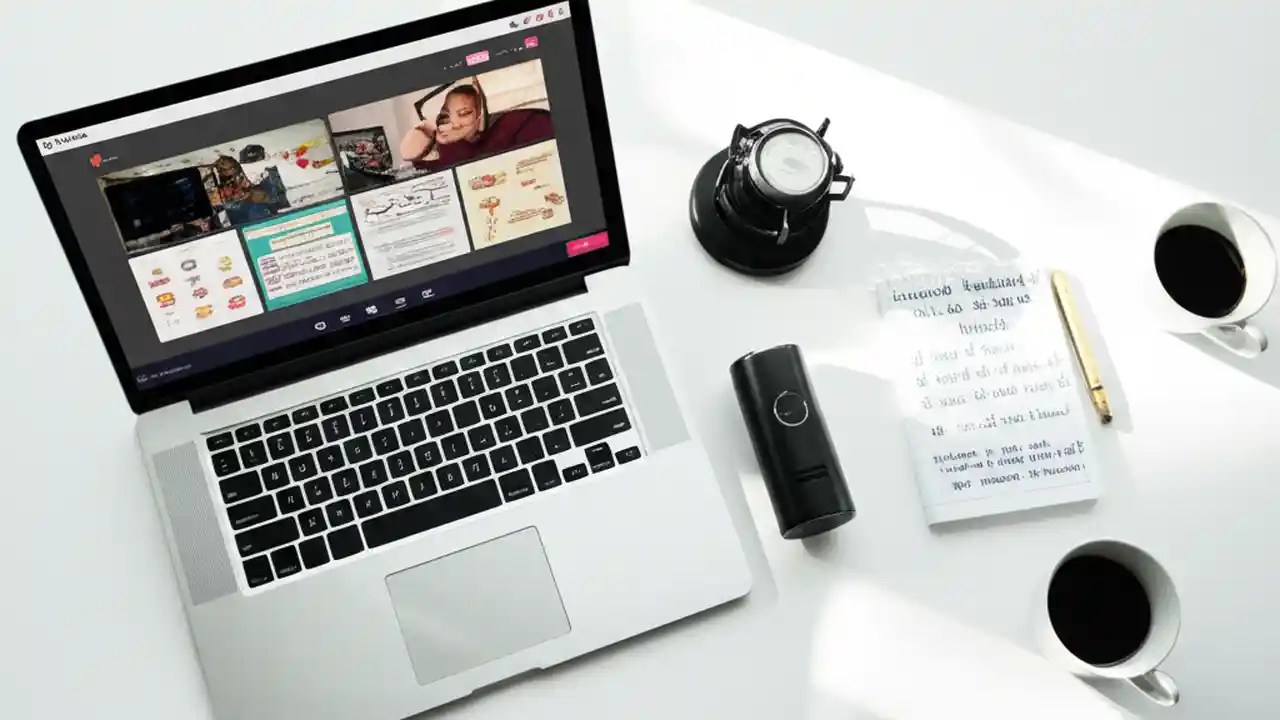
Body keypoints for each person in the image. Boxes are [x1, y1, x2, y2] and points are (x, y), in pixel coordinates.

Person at [399, 84, 554, 172]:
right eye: (446, 115)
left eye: (464, 114)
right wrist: (428, 127)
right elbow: (409, 154)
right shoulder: (444, 144)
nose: (455, 123)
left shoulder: (517, 124)